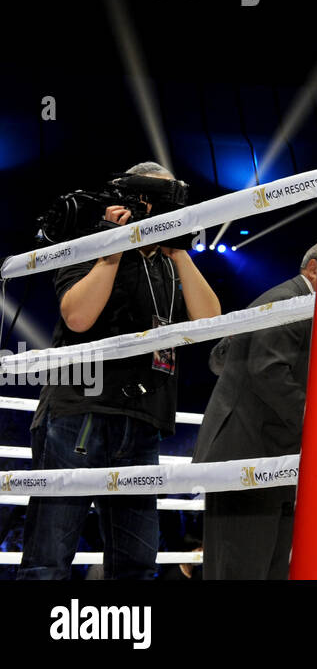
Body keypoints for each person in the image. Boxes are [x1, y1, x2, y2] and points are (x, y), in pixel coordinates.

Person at [19, 162, 222, 580]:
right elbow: (77, 318)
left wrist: (179, 249)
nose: (173, 210)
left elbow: (209, 324)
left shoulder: (171, 263)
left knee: (136, 564)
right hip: (81, 412)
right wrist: (112, 251)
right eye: (165, 202)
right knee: (48, 559)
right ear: (142, 200)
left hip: (143, 421)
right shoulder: (92, 243)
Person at [192, 243, 317, 579]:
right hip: (246, 452)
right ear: (315, 269)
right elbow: (268, 372)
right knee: (240, 568)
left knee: (268, 567)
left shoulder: (298, 303)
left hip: (271, 454)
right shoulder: (289, 300)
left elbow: (224, 358)